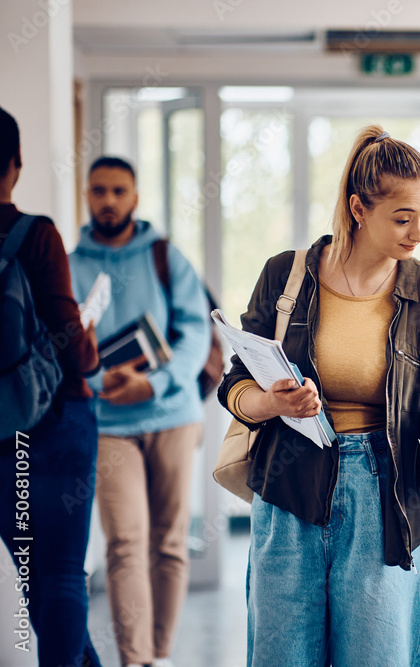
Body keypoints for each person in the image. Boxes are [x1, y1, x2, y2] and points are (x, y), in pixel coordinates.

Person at [218, 125, 420, 666]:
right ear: (359, 207)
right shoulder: (286, 276)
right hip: (288, 485)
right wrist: (275, 403)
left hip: (384, 496)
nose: (419, 232)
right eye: (403, 217)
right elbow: (235, 386)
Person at [69, 156, 211, 667]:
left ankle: (161, 657)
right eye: (98, 191)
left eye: (118, 191)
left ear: (135, 196)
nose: (108, 200)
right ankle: (137, 660)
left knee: (169, 543)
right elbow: (56, 345)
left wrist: (152, 385)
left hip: (172, 414)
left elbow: (196, 334)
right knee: (125, 543)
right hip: (106, 423)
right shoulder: (68, 264)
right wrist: (97, 380)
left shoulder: (164, 256)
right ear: (87, 196)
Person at [0, 107, 103, 666]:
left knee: (29, 574)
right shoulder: (34, 234)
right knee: (60, 574)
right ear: (14, 166)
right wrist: (87, 331)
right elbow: (76, 350)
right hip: (57, 421)